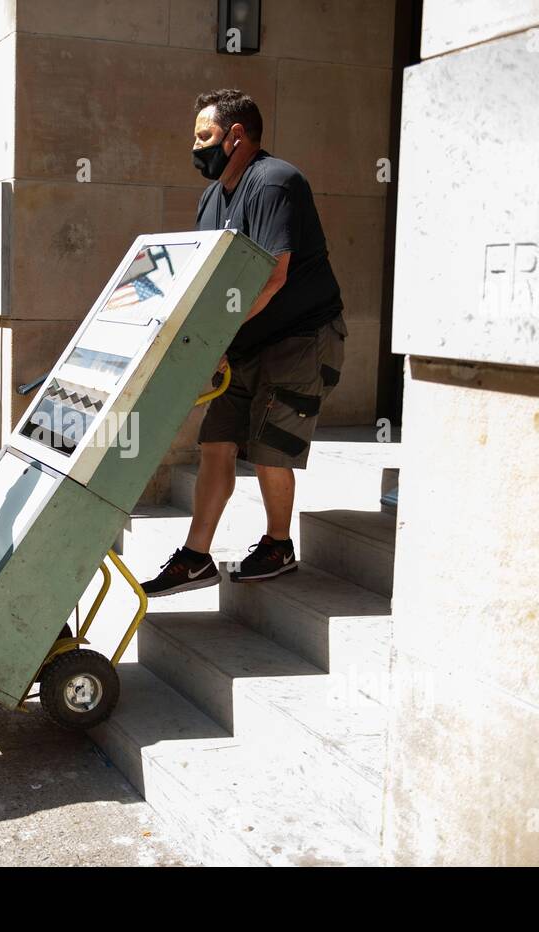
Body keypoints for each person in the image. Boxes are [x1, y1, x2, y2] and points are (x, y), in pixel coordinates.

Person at [141, 89, 347, 597]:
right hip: (243, 341)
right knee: (216, 443)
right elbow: (210, 276)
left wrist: (216, 335)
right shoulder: (212, 197)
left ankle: (278, 545)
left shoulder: (276, 182)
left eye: (204, 135)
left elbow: (274, 275)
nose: (196, 146)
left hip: (301, 338)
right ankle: (195, 557)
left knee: (272, 449)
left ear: (236, 136)